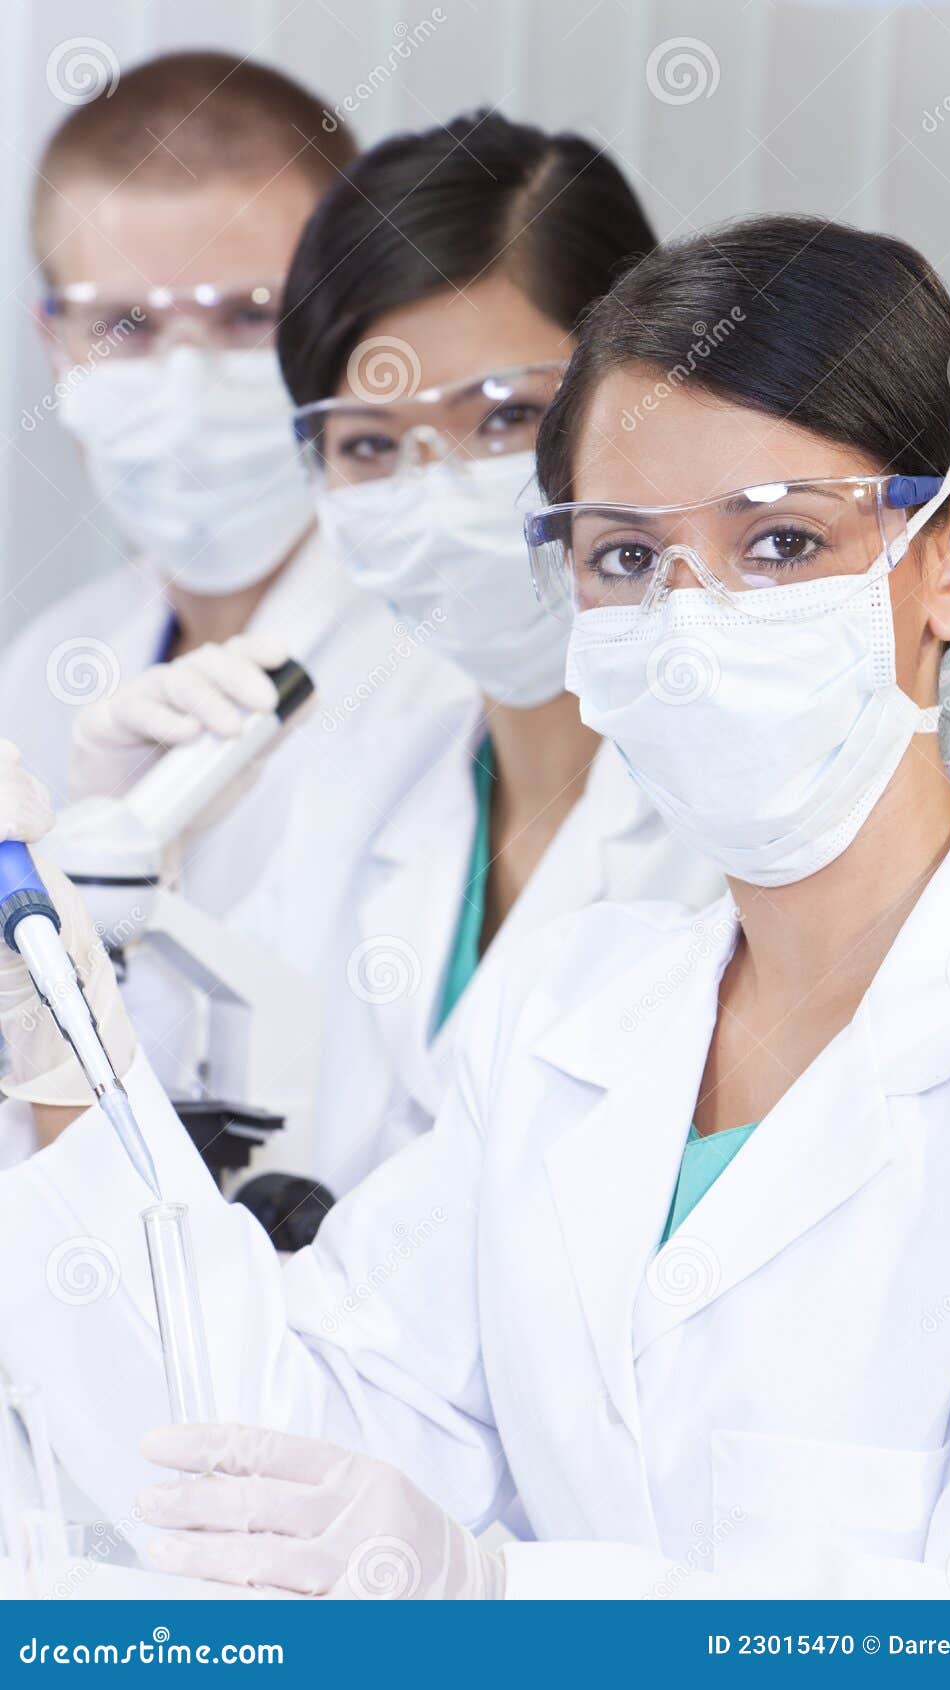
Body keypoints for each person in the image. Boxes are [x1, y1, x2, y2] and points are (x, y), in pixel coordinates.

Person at [4, 216, 950, 1601]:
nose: (689, 619)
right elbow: (257, 1434)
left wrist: (503, 1598)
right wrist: (49, 998)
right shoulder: (569, 1009)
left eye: (781, 542)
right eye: (624, 558)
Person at [67, 113, 723, 1191]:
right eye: (370, 443)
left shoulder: (742, 821)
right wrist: (109, 926)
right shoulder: (360, 784)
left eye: (506, 417)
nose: (436, 489)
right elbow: (167, 1200)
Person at [0, 51, 459, 1119]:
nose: (186, 375)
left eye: (250, 316)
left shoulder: (454, 667)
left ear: (342, 324)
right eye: (126, 325)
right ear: (53, 341)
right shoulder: (46, 664)